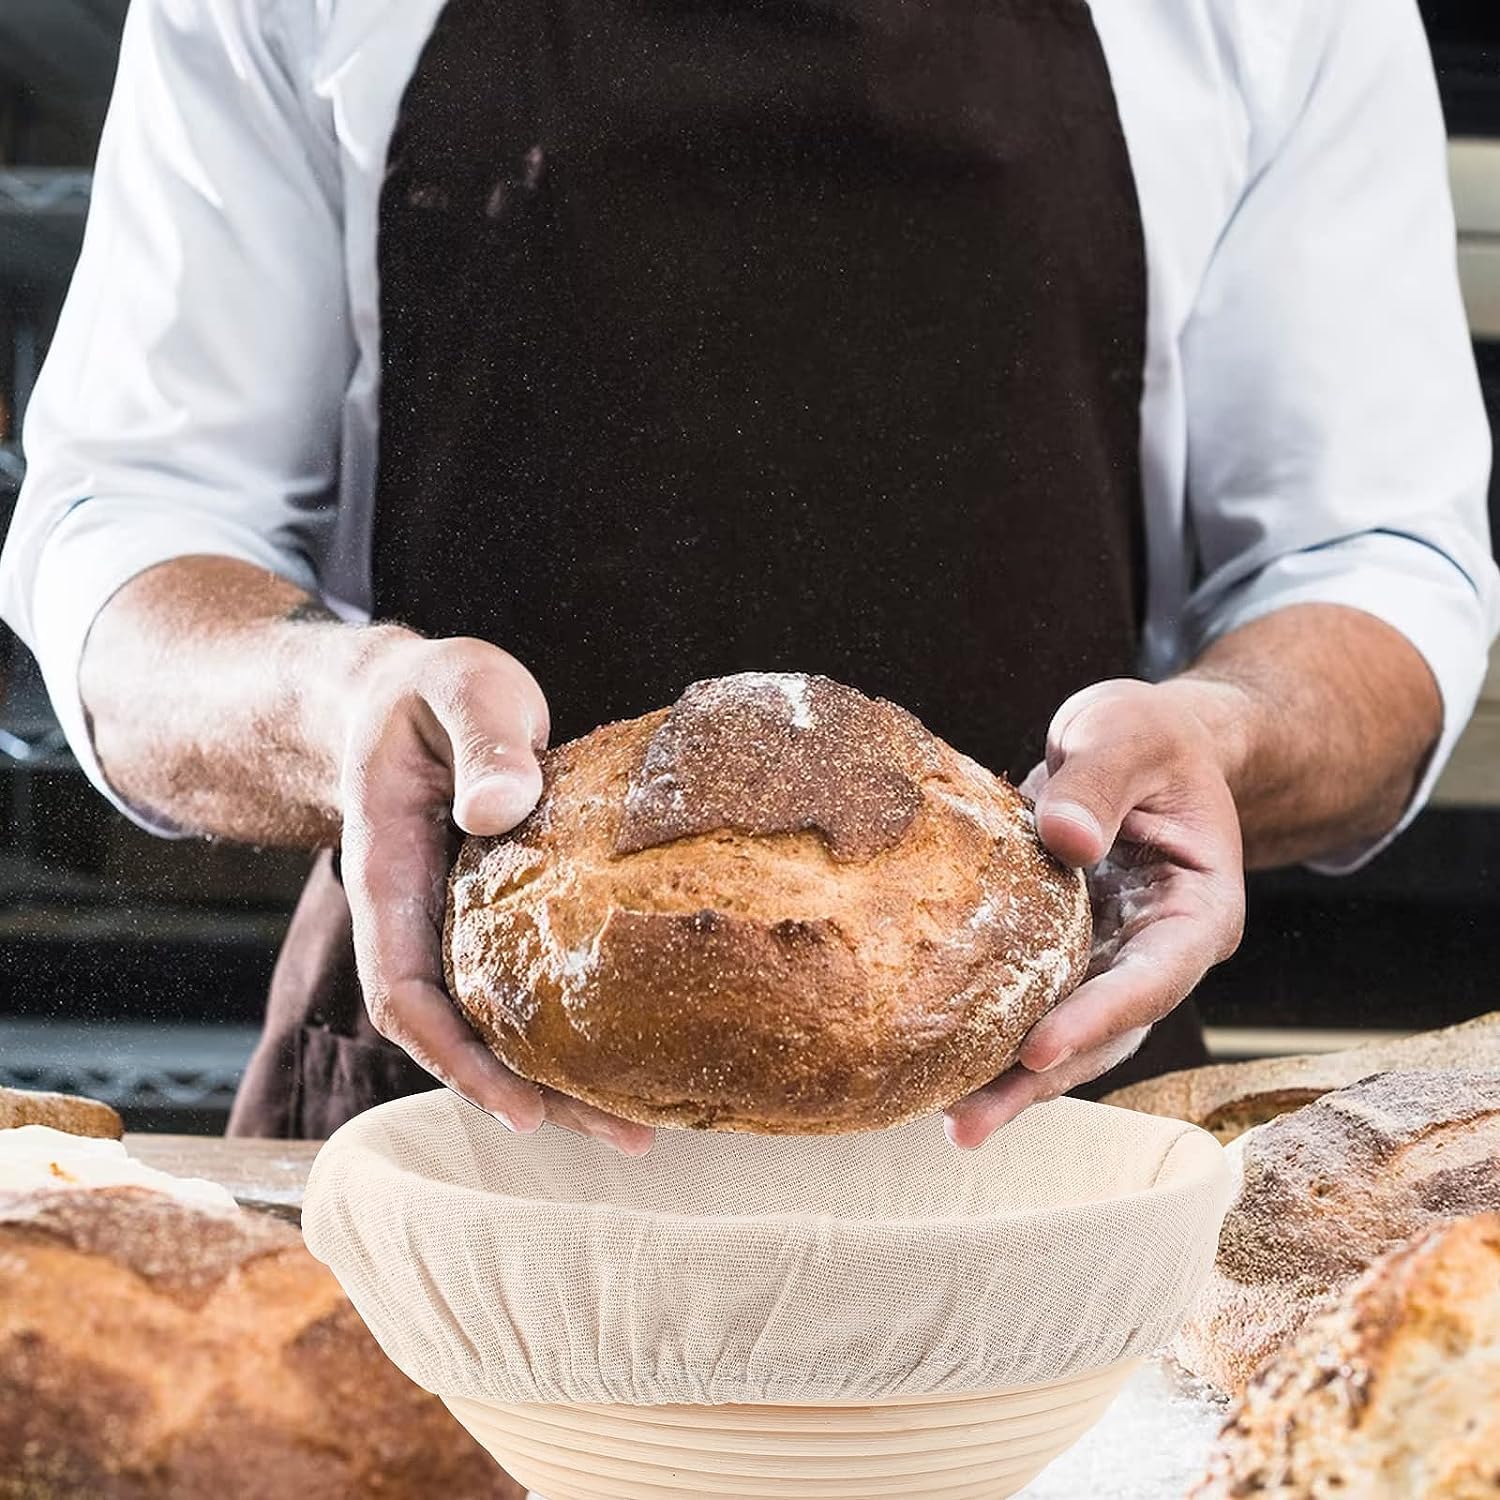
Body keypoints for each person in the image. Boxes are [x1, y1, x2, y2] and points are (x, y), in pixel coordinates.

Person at [0, 0, 1494, 1156]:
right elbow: (132, 530)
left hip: (1034, 1126)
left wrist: (1223, 736)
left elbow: (1371, 564)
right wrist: (338, 703)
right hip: (450, 1125)